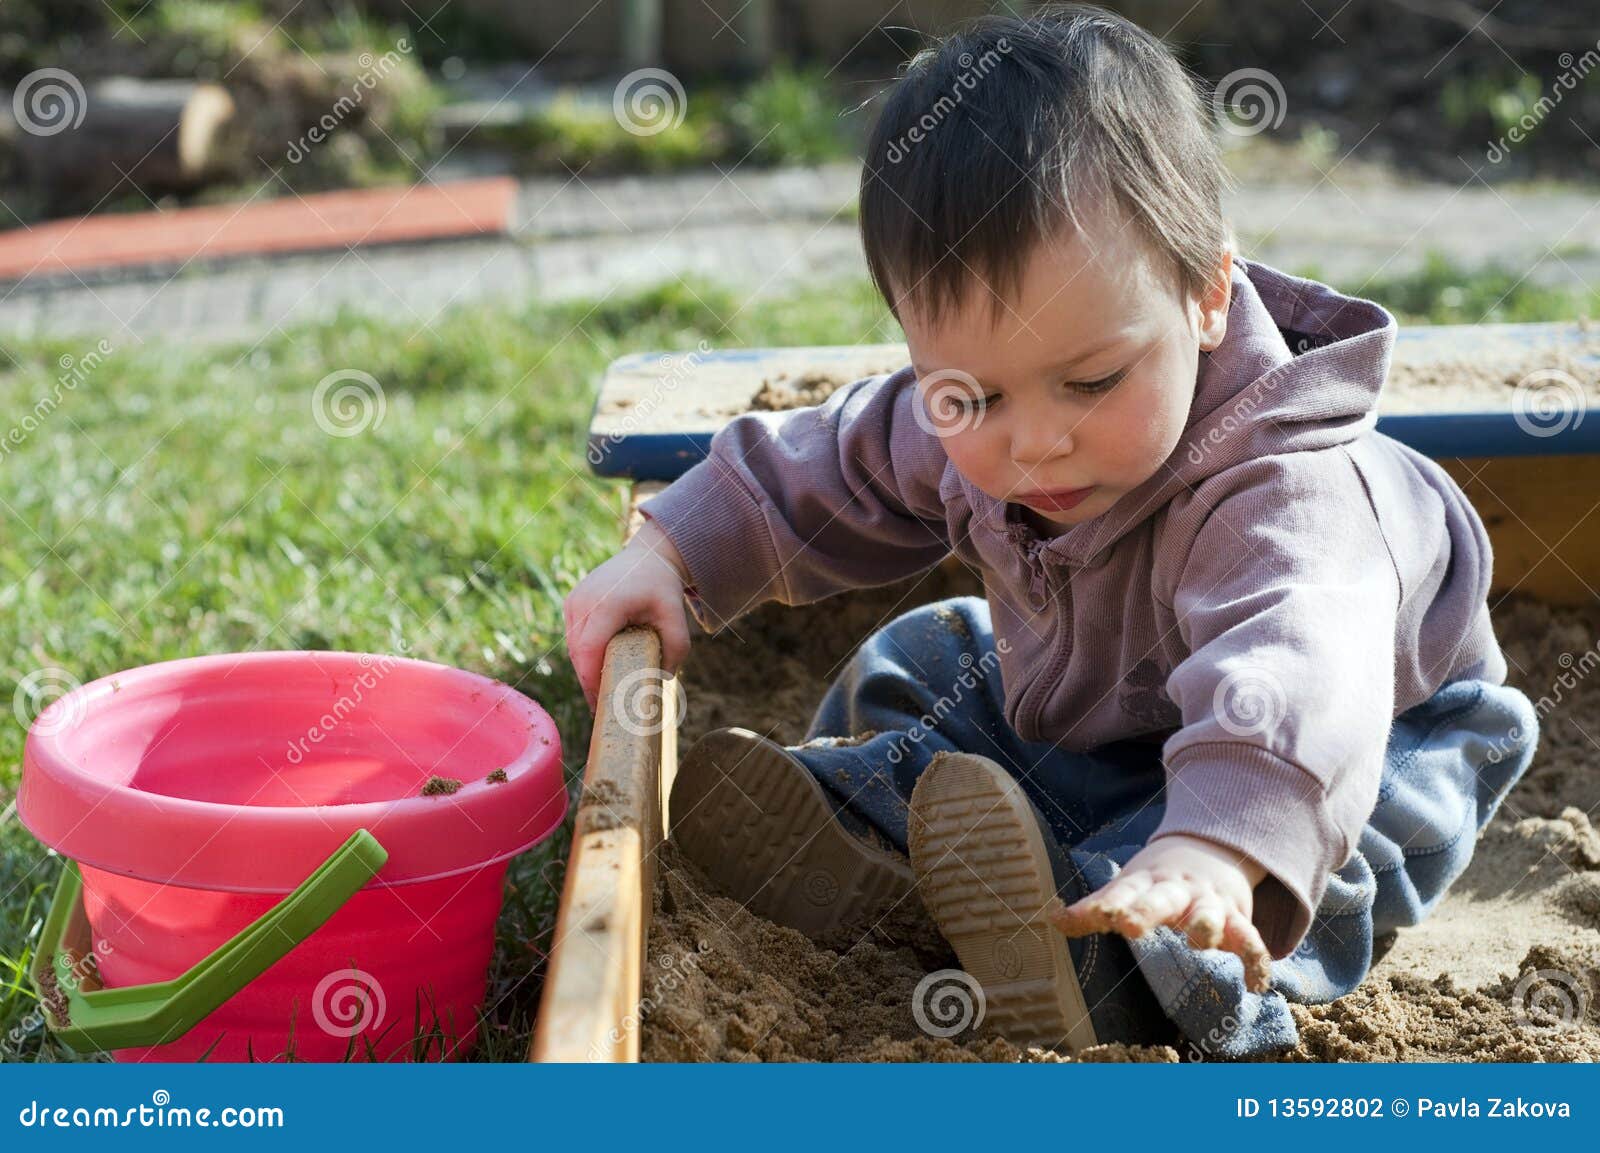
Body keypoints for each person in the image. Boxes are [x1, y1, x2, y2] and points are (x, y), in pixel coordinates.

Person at [562, 5, 1538, 1057]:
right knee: (930, 651)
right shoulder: (978, 414)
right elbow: (833, 457)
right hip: (1120, 716)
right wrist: (671, 549)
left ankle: (1128, 966)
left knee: (1301, 855)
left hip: (1351, 739)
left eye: (1090, 381)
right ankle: (882, 841)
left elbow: (1301, 664)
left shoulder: (1289, 492)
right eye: (968, 394)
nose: (1033, 444)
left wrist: (1212, 846)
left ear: (1205, 297)